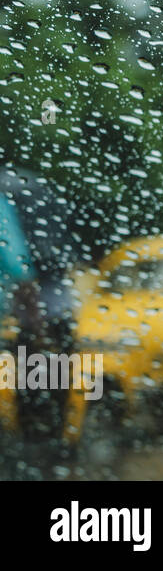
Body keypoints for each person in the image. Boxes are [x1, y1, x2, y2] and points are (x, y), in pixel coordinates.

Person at [0, 167, 79, 444]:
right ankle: (53, 447)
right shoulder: (34, 195)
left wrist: (34, 324)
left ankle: (37, 447)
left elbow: (19, 270)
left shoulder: (5, 201)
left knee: (32, 394)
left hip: (32, 321)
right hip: (56, 313)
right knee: (52, 392)